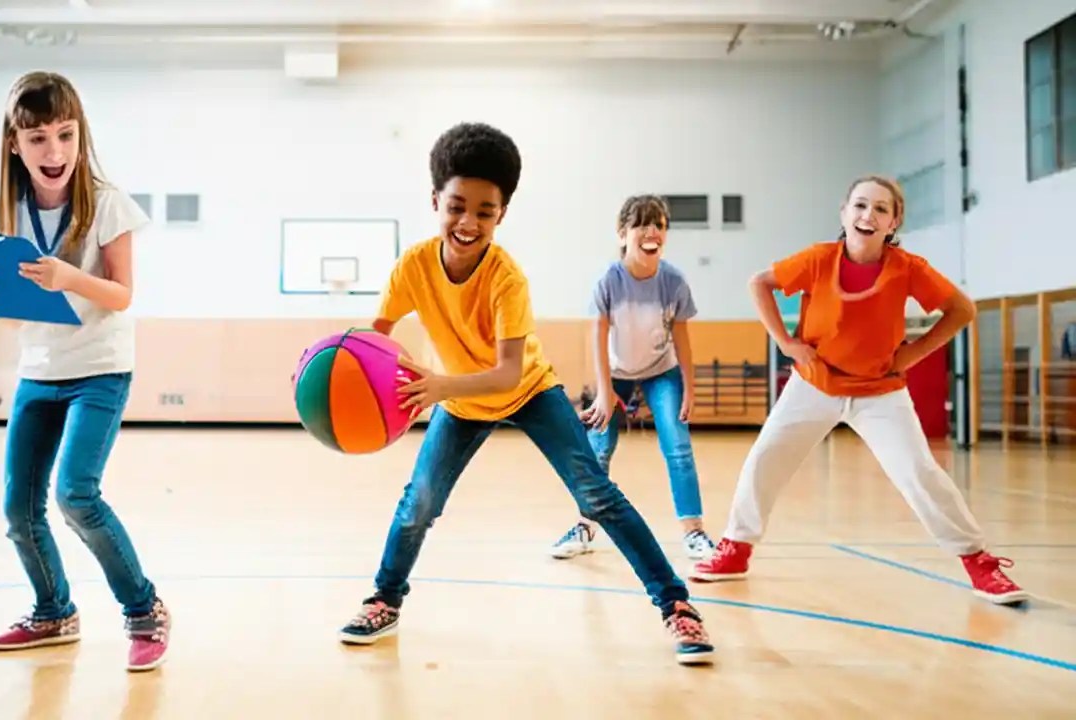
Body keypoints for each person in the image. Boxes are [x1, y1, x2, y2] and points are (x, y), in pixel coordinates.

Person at [336, 122, 714, 665]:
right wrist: (347, 376)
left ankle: (676, 605)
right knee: (418, 504)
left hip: (528, 391)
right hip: (462, 401)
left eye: (484, 212)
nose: (468, 222)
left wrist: (438, 386)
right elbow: (377, 338)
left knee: (598, 497)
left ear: (501, 214)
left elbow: (507, 374)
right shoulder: (414, 266)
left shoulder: (506, 279)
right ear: (435, 200)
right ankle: (384, 599)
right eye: (456, 206)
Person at [689, 175, 1028, 606]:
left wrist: (913, 353)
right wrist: (786, 342)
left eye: (881, 209)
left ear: (894, 221)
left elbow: (962, 309)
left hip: (879, 392)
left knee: (919, 472)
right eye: (861, 205)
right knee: (765, 459)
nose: (869, 215)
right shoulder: (818, 259)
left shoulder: (908, 269)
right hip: (814, 384)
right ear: (845, 213)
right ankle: (735, 549)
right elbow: (760, 283)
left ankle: (979, 562)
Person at [0, 71, 172, 671]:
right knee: (17, 508)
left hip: (100, 369)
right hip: (39, 367)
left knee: (76, 494)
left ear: (81, 136)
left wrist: (68, 276)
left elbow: (122, 293)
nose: (54, 152)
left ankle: (144, 609)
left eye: (65, 135)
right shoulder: (1, 209)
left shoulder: (107, 202)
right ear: (13, 144)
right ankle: (52, 611)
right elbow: (13, 313)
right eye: (37, 139)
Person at [550, 195, 716, 562]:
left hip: (662, 372)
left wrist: (688, 387)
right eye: (642, 224)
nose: (652, 231)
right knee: (598, 449)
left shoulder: (673, 281)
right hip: (616, 373)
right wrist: (604, 391)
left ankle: (695, 532)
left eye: (659, 224)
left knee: (678, 447)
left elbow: (683, 337)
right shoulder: (609, 280)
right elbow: (597, 336)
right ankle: (584, 526)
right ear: (623, 234)